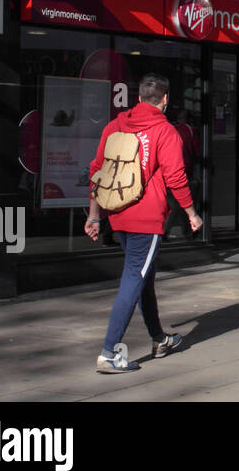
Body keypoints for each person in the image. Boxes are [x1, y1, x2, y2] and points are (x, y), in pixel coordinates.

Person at [85, 73, 202, 374]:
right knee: (133, 279)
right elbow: (176, 178)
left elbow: (97, 170)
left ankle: (159, 339)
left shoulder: (115, 125)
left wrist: (94, 215)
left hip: (118, 214)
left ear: (137, 99)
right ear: (165, 100)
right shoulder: (166, 131)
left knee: (143, 277)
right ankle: (109, 353)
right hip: (146, 219)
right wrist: (191, 213)